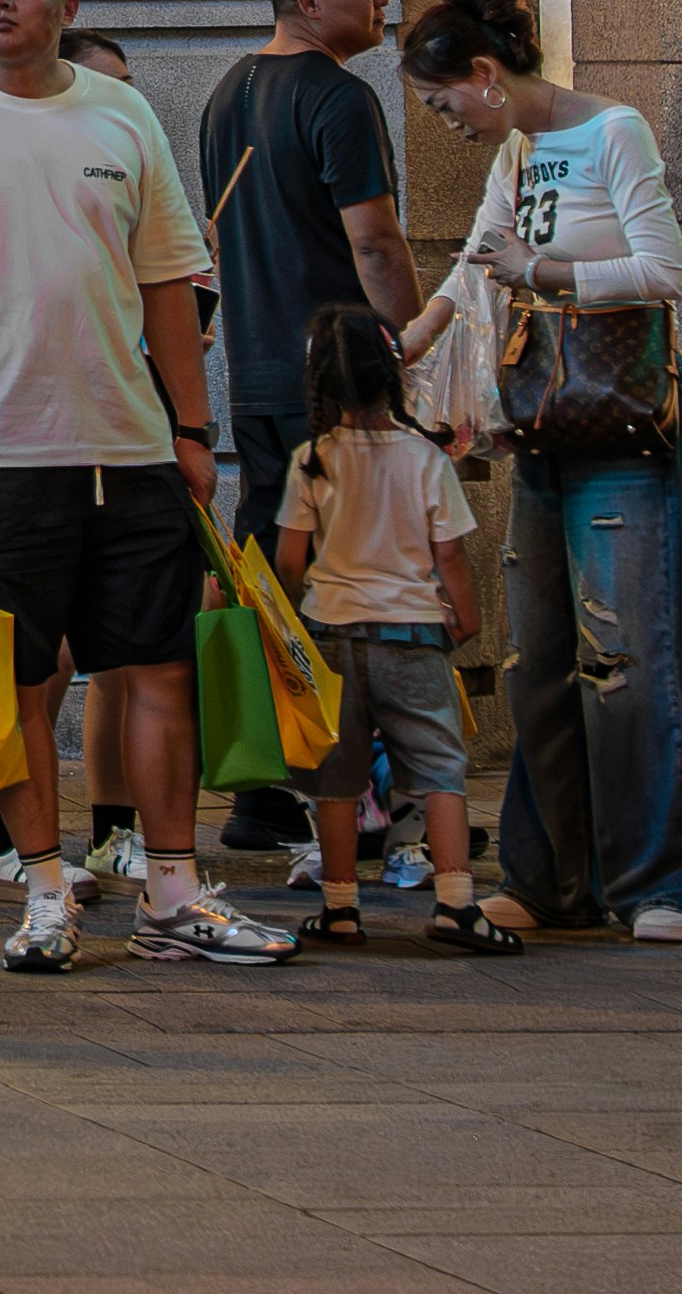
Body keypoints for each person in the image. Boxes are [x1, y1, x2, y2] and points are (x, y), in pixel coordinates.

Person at [0, 0, 289, 972]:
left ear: (68, 2)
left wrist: (192, 428)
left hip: (129, 448)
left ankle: (174, 891)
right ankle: (45, 886)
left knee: (156, 669)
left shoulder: (121, 115)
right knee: (6, 682)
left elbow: (171, 289)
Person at [397, 0, 682, 944]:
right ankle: (550, 882)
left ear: (487, 74)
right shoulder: (522, 147)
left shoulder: (610, 131)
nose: (445, 121)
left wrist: (542, 273)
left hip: (622, 422)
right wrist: (416, 335)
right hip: (543, 419)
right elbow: (475, 257)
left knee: (628, 661)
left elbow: (664, 269)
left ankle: (667, 884)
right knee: (538, 659)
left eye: (442, 101)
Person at [195, 0, 417, 856]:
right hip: (338, 378)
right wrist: (413, 340)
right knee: (349, 587)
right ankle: (351, 795)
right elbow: (372, 239)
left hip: (257, 375)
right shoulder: (337, 96)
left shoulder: (226, 93)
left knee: (265, 582)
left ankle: (261, 789)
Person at [271, 300, 502, 952]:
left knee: (337, 781)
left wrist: (287, 618)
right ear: (392, 374)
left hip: (331, 632)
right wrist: (469, 614)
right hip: (412, 633)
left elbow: (291, 558)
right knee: (438, 768)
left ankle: (340, 909)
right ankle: (457, 904)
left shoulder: (313, 460)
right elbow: (451, 551)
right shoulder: (424, 456)